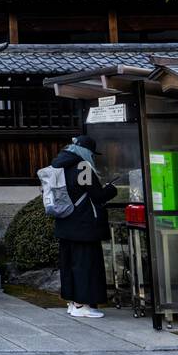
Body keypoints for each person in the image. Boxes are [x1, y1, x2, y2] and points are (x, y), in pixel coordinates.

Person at [51, 133, 116, 318]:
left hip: (64, 223)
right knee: (85, 265)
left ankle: (72, 303)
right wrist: (111, 189)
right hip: (83, 227)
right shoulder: (82, 167)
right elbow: (97, 195)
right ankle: (82, 306)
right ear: (86, 152)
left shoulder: (58, 165)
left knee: (69, 264)